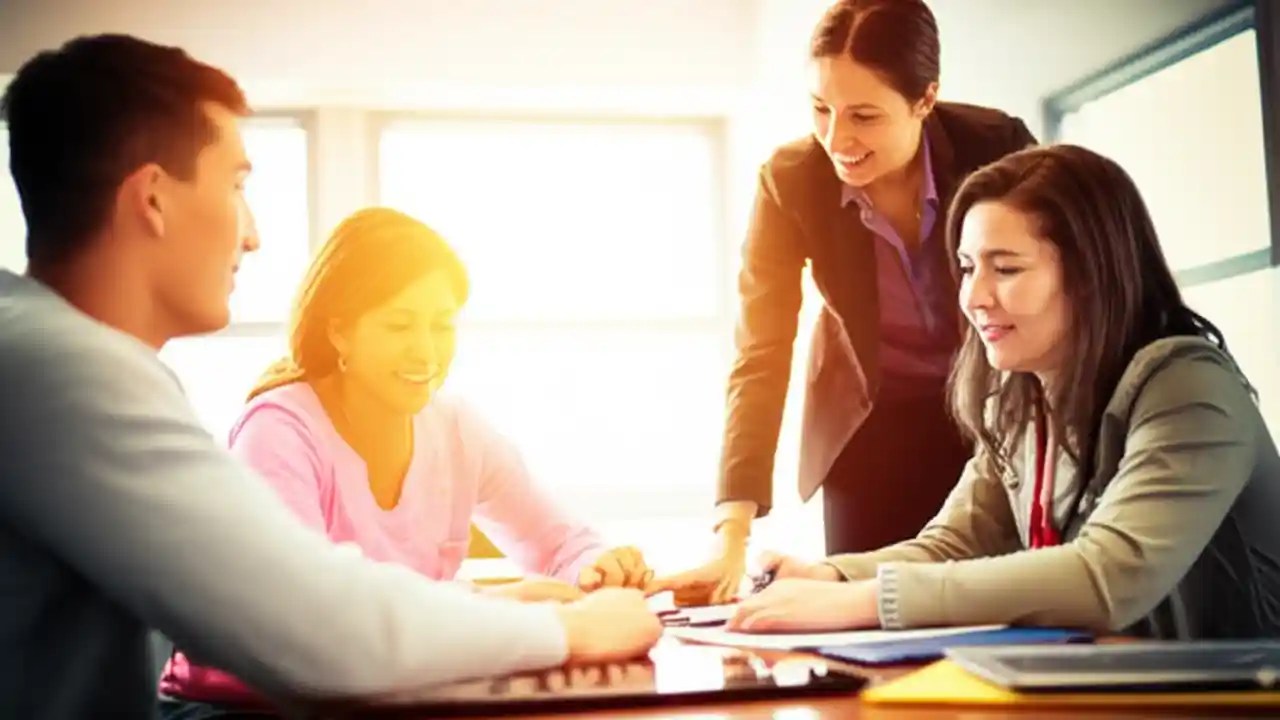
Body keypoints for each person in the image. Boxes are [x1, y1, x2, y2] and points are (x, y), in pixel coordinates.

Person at [0, 34, 660, 720]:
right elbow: (307, 625)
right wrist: (572, 632)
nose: (251, 234)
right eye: (236, 187)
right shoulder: (64, 372)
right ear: (153, 200)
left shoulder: (47, 354)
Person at [725, 144, 1280, 639]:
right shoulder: (1019, 400)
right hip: (1114, 684)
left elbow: (1108, 575)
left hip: (1234, 696)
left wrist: (864, 602)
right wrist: (828, 576)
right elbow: (954, 546)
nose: (973, 297)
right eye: (968, 268)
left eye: (1006, 269)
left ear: (1092, 275)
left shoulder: (1190, 389)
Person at [158, 206, 656, 716]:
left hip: (385, 699)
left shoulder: (456, 428)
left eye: (441, 326)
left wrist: (596, 572)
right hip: (245, 708)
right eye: (399, 325)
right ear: (339, 331)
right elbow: (312, 623)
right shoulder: (277, 432)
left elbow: (560, 543)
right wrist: (497, 603)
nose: (426, 352)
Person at [655, 0, 1036, 605]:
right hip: (868, 429)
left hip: (993, 411)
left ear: (925, 99)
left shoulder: (995, 146)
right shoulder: (791, 181)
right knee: (861, 607)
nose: (837, 139)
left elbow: (1063, 289)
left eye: (863, 115)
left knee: (999, 600)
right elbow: (761, 350)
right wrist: (731, 536)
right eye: (820, 109)